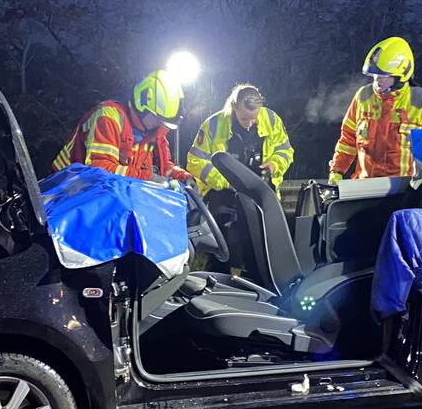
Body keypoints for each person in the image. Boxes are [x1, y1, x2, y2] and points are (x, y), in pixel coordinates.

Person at [186, 84, 294, 275]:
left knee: (262, 246)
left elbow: (285, 150)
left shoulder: (271, 119)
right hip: (223, 195)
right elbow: (195, 161)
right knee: (221, 245)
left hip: (260, 194)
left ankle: (259, 284)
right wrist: (226, 180)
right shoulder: (213, 125)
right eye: (245, 118)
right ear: (233, 107)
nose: (250, 124)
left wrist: (273, 166)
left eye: (254, 118)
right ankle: (218, 283)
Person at [329, 36, 422, 183]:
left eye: (384, 75)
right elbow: (347, 140)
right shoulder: (363, 97)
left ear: (402, 75)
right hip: (364, 186)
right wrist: (337, 171)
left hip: (404, 191)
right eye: (375, 74)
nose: (378, 79)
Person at [53, 70, 194, 184]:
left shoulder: (155, 132)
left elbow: (163, 168)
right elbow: (100, 170)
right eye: (158, 118)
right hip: (66, 191)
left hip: (100, 197)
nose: (160, 125)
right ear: (142, 105)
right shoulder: (108, 117)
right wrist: (148, 178)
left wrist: (183, 177)